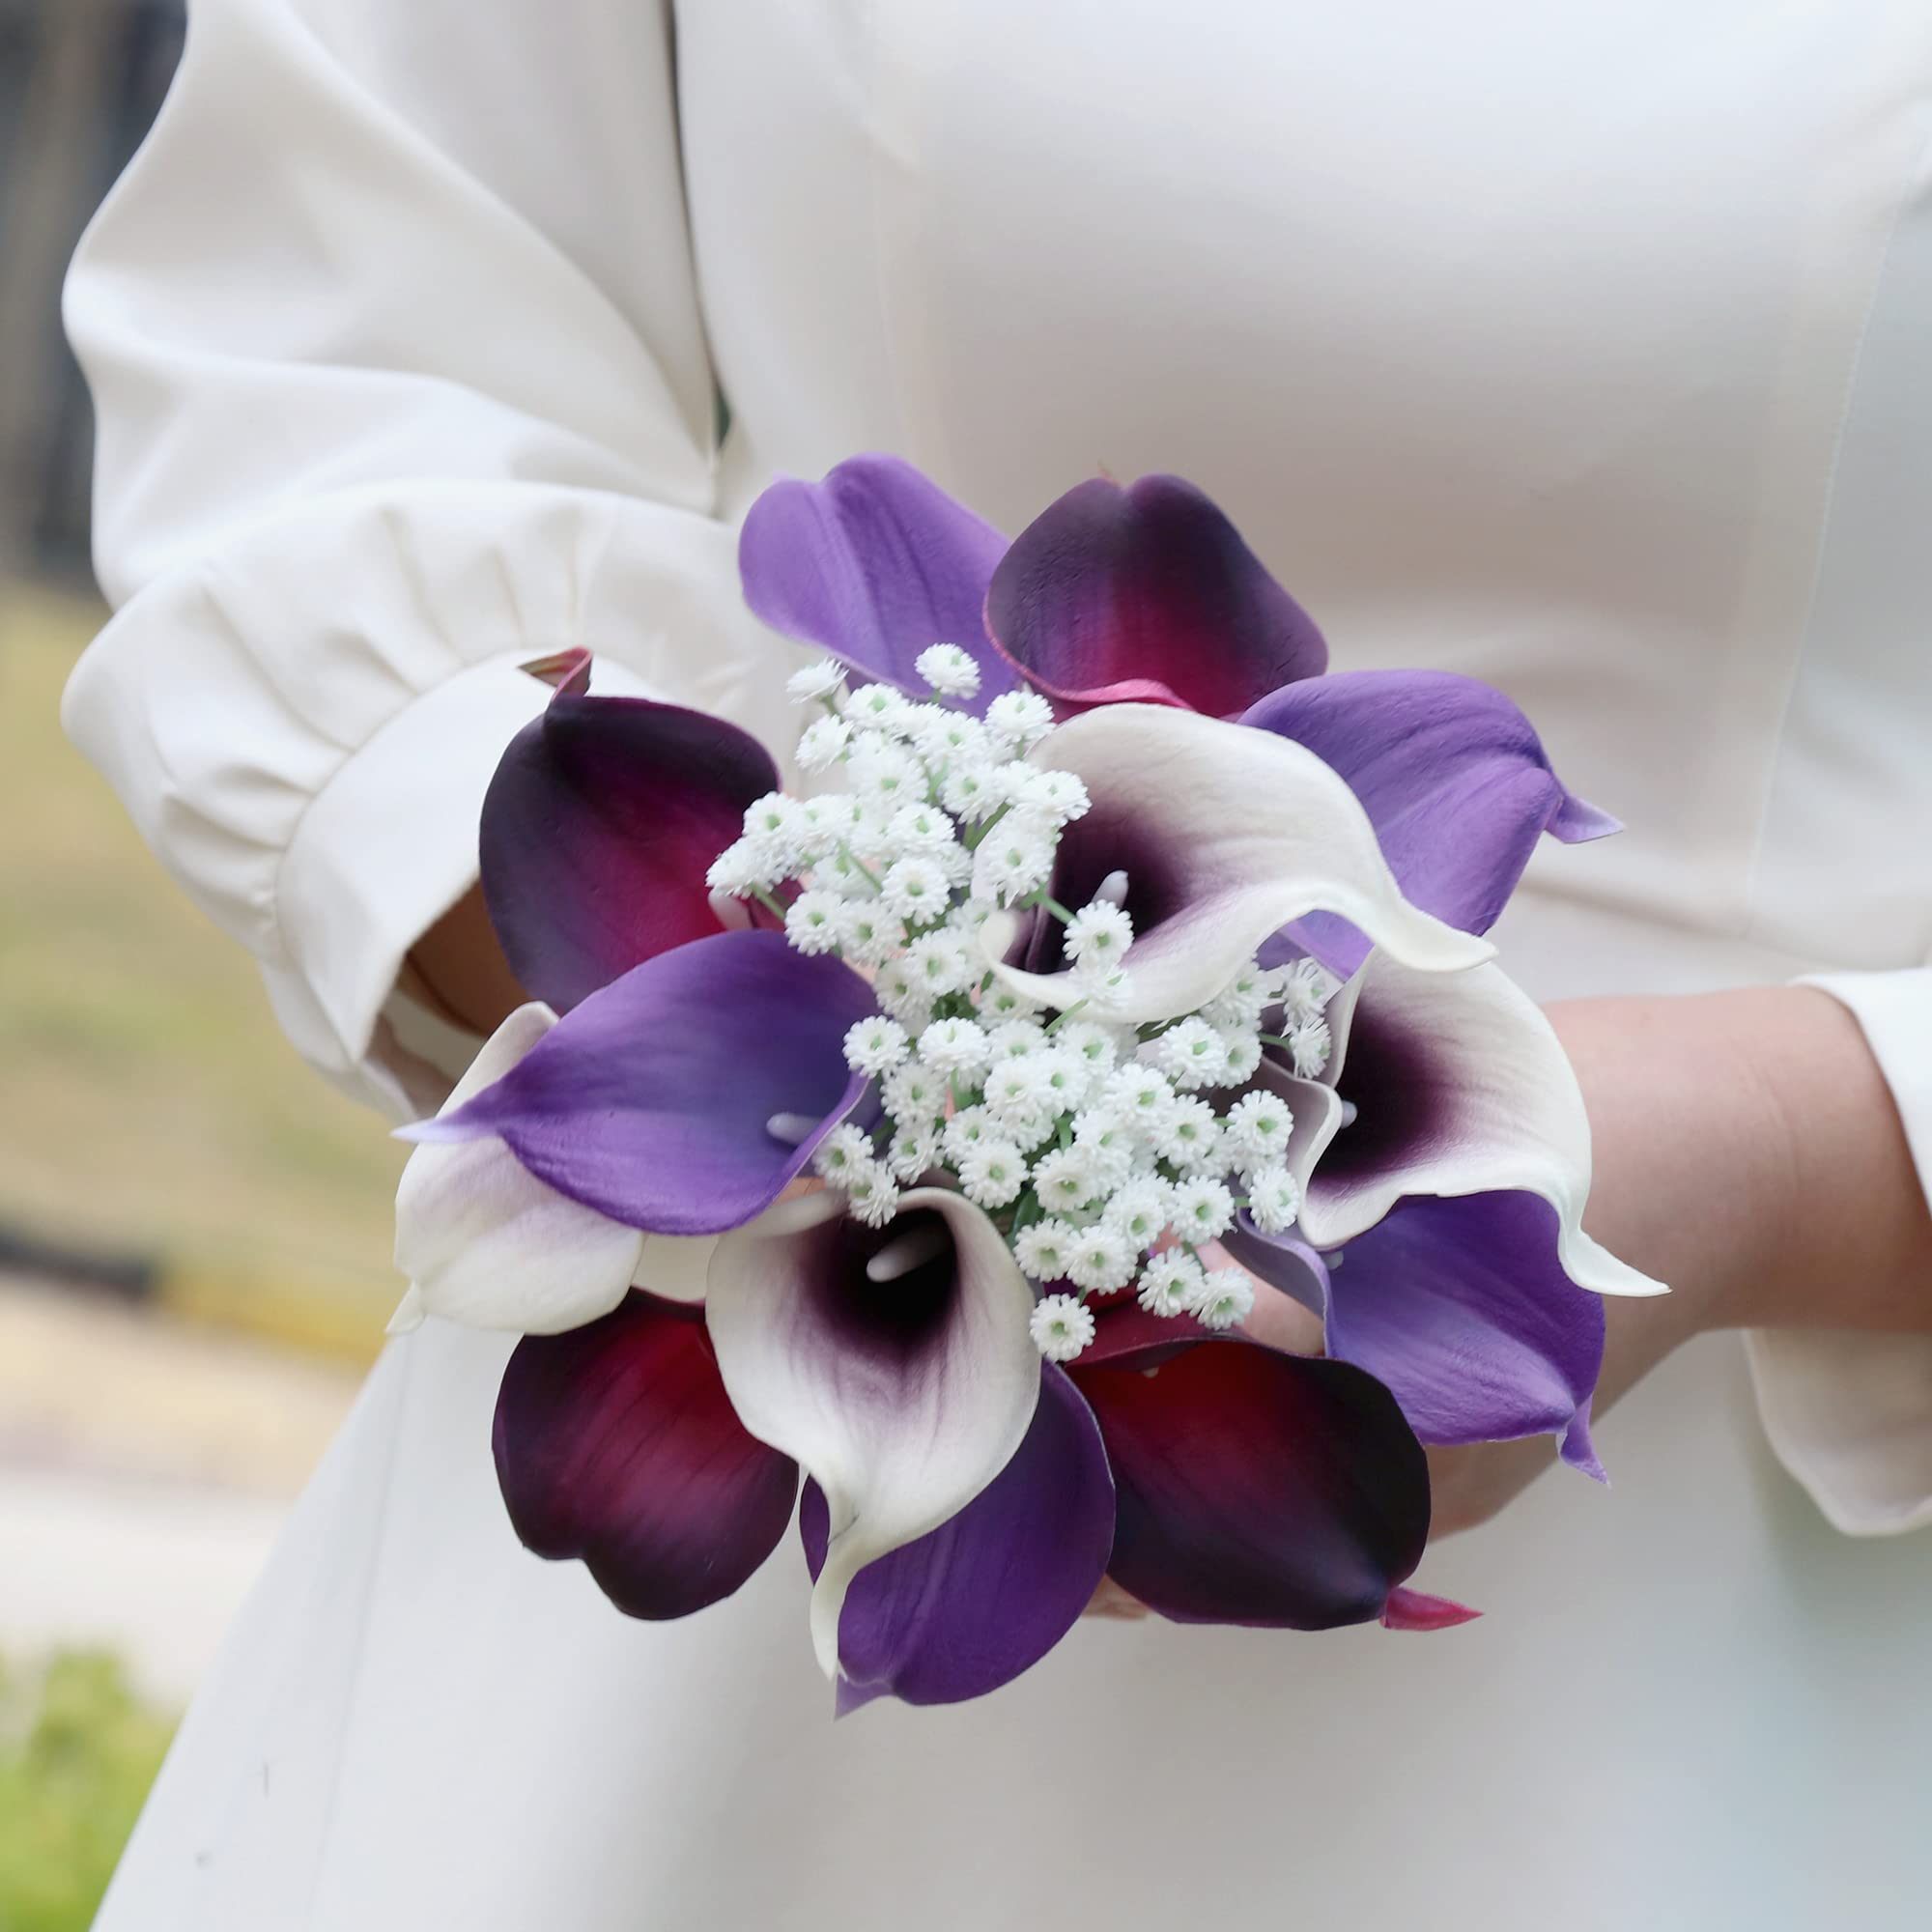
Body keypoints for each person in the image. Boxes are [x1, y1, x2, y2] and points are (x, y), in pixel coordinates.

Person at [62, 3, 1932, 1925]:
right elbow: (345, 340)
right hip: (729, 1572)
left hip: (1753, 1672)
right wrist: (736, 1053)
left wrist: (1787, 1141)